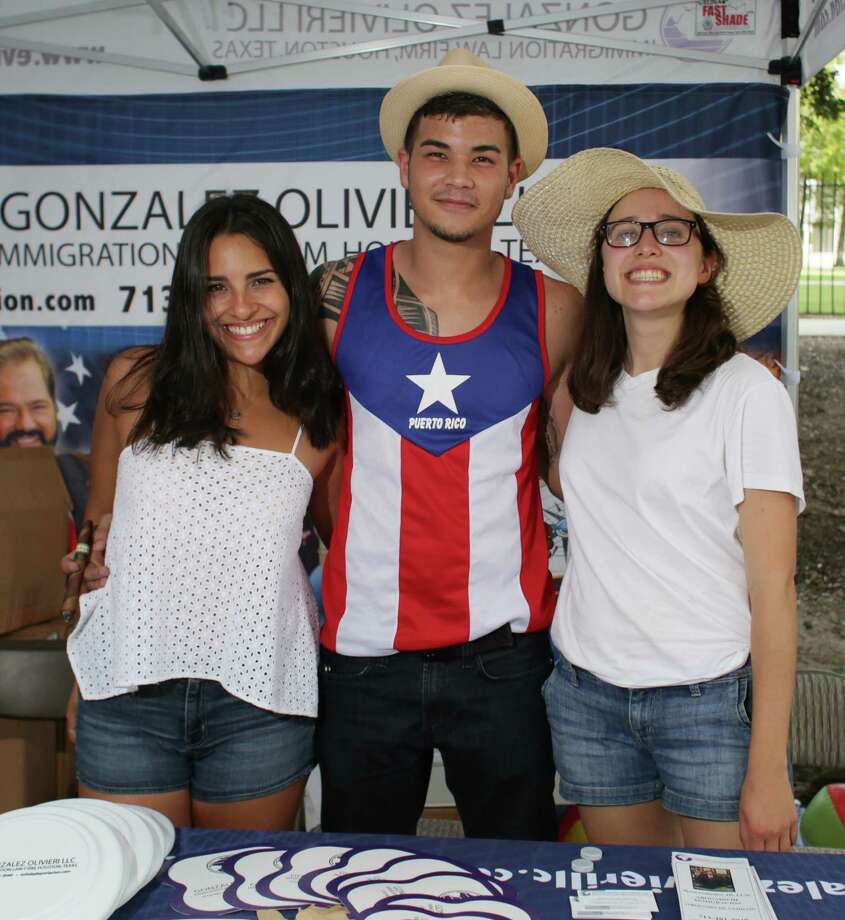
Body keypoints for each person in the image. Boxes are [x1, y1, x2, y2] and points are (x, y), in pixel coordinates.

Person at [311, 50, 583, 839]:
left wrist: (731, 359)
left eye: (481, 158)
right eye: (436, 153)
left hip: (503, 660)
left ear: (514, 175)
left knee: (520, 877)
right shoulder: (332, 292)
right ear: (403, 165)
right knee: (360, 879)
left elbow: (606, 431)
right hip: (363, 656)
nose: (457, 176)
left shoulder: (557, 308)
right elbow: (286, 444)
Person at [513, 148, 803, 851]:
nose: (645, 246)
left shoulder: (745, 393)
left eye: (671, 231)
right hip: (588, 696)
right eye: (625, 232)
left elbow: (775, 590)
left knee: (724, 903)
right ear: (603, 263)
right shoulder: (579, 391)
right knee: (630, 898)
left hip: (705, 701)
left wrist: (767, 769)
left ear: (705, 264)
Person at [63, 193, 342, 830]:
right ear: (192, 298)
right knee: (134, 892)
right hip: (127, 694)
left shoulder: (319, 415)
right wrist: (82, 668)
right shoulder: (133, 383)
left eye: (260, 281)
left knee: (237, 893)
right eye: (216, 287)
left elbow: (345, 546)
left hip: (260, 705)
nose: (240, 308)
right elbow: (98, 531)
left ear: (291, 287)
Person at [0, 337, 89, 533]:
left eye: (38, 406)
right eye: (6, 410)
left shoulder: (90, 479)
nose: (26, 424)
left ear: (54, 408)